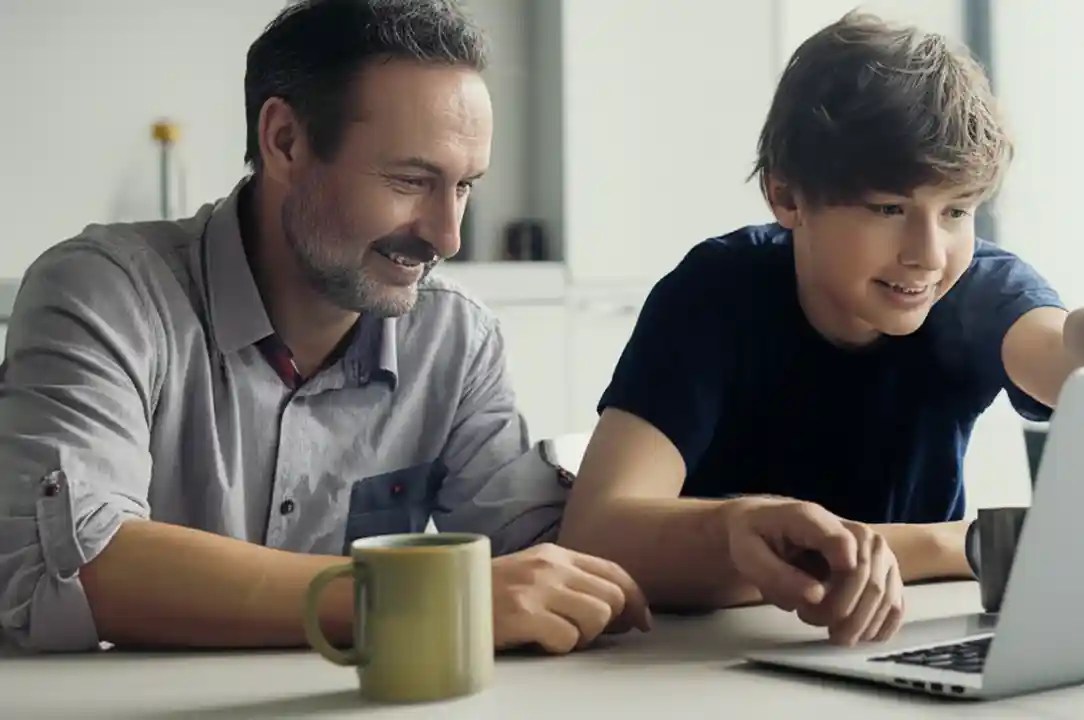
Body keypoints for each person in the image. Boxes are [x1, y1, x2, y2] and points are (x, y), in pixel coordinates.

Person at [0, 0, 649, 654]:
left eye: (464, 187)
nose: (447, 237)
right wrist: (419, 596)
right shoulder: (105, 293)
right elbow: (75, 564)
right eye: (410, 180)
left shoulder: (455, 340)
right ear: (285, 140)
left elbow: (538, 556)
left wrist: (728, 528)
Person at [558, 12, 1084, 647]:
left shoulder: (972, 286)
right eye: (889, 209)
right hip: (707, 658)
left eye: (957, 211)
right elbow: (595, 535)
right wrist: (949, 544)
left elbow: (1049, 346)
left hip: (899, 639)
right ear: (787, 197)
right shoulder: (715, 293)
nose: (928, 253)